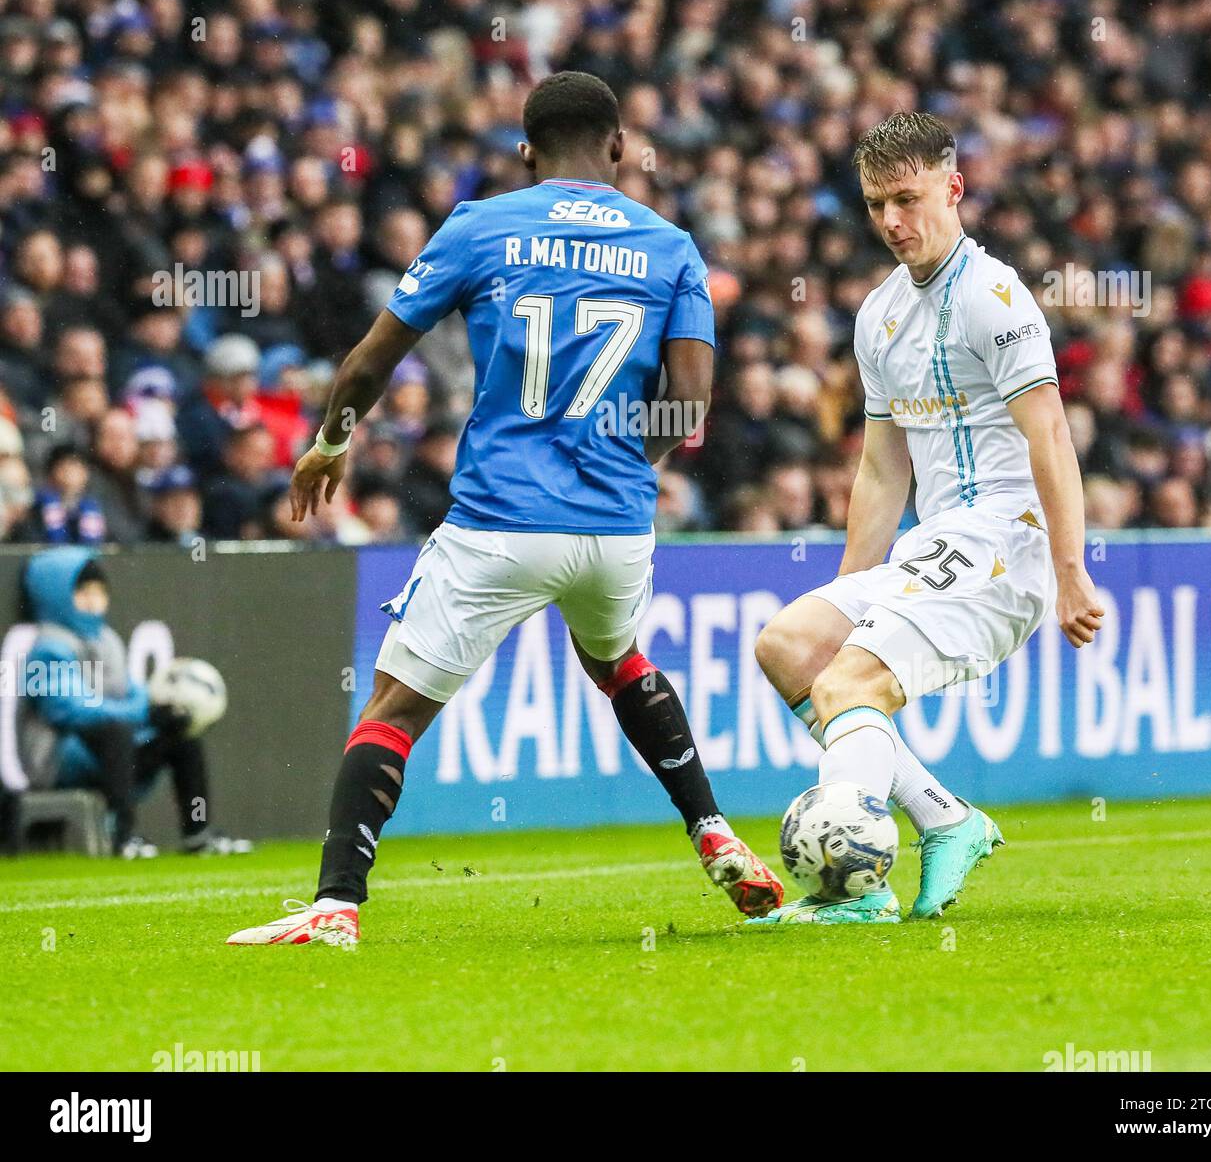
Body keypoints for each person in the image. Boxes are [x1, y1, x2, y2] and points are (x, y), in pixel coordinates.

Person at [228, 71, 783, 947]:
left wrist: (331, 443)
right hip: (614, 530)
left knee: (391, 709)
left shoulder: (481, 225)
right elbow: (689, 404)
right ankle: (711, 829)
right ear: (617, 148)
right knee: (619, 662)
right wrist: (617, 471)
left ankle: (337, 905)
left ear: (526, 153)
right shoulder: (671, 245)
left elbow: (371, 362)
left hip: (499, 521)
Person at [751, 112, 1104, 925]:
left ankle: (855, 892)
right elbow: (881, 466)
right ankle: (946, 818)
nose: (891, 222)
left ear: (954, 188)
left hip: (1003, 551)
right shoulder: (878, 314)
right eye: (876, 204)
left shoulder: (997, 298)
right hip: (935, 544)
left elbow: (1050, 431)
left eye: (907, 199)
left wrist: (1071, 569)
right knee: (792, 647)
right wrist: (851, 592)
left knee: (849, 683)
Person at [21, 546, 250, 857]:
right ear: (56, 595)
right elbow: (66, 708)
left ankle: (198, 833)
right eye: (82, 592)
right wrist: (144, 713)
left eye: (99, 593)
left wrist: (161, 712)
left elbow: (131, 692)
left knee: (182, 739)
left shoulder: (107, 641)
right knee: (114, 730)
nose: (93, 601)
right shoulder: (49, 647)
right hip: (57, 758)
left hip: (110, 752)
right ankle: (122, 835)